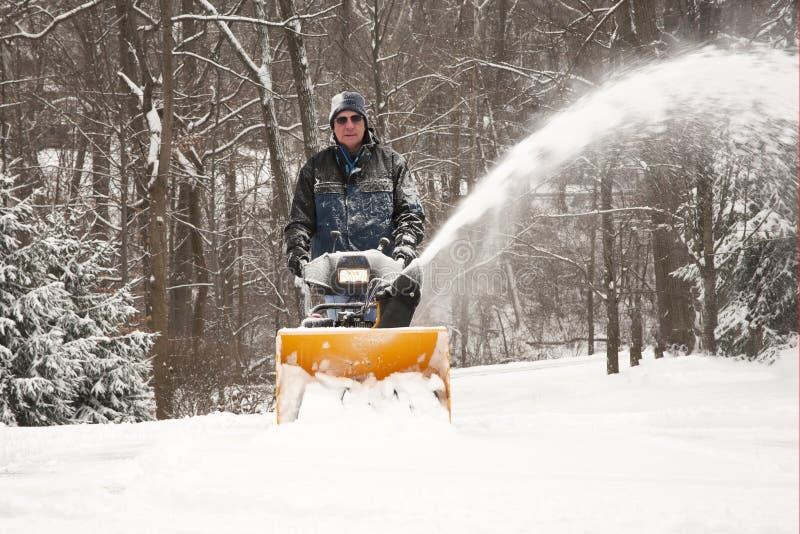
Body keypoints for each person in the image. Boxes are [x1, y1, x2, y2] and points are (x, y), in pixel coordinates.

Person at [284, 90, 425, 275]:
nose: (349, 125)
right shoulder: (315, 168)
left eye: (356, 118)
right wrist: (297, 251)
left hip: (384, 276)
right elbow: (299, 222)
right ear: (333, 126)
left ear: (365, 123)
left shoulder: (392, 163)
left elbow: (410, 214)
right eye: (341, 119)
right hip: (330, 278)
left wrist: (405, 247)